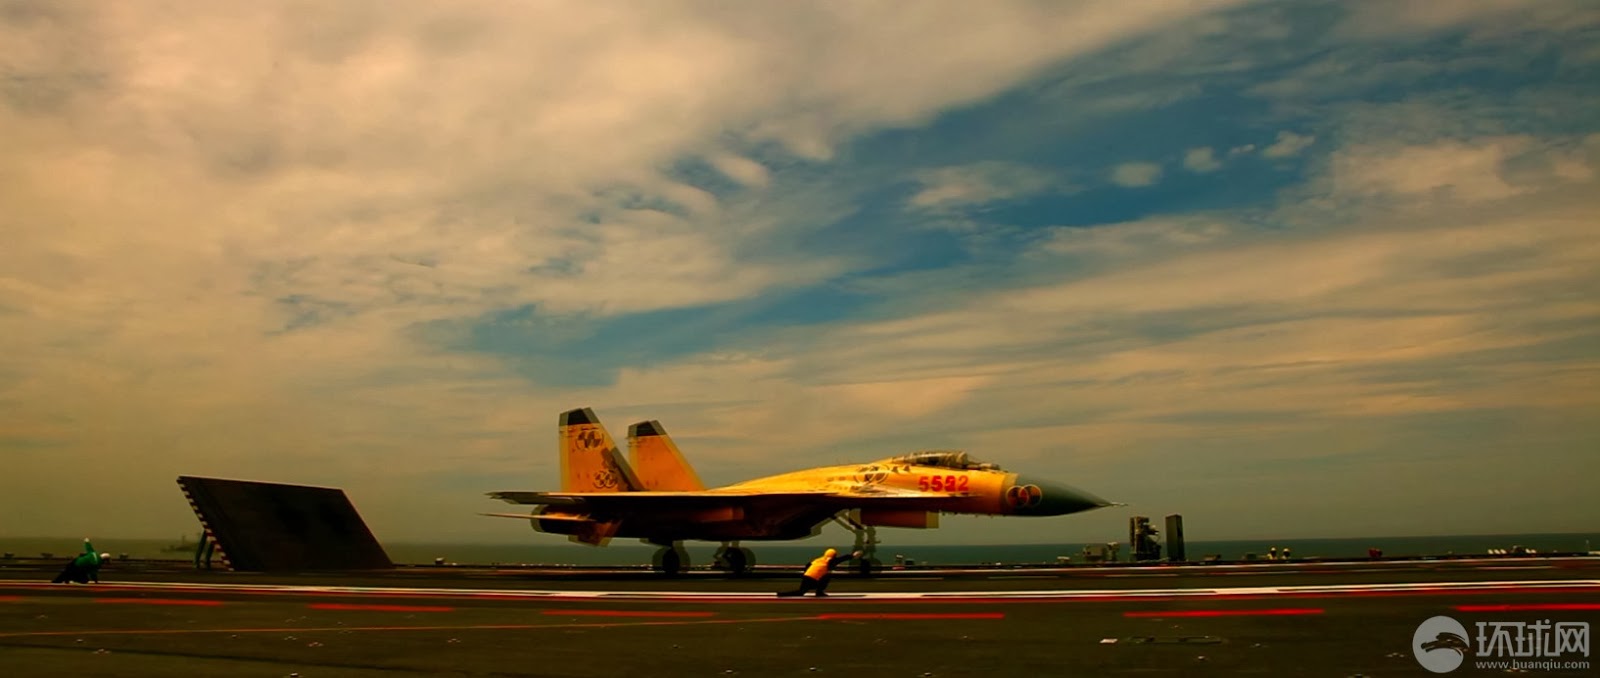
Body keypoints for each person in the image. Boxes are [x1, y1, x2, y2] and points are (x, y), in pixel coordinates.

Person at [777, 548, 862, 597]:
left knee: (801, 592)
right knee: (827, 576)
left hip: (806, 576)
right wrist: (853, 555)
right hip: (813, 578)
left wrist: (806, 574)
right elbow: (841, 559)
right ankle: (819, 592)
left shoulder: (819, 559)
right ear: (834, 555)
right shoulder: (830, 561)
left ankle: (782, 594)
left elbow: (808, 565)